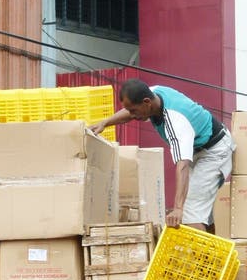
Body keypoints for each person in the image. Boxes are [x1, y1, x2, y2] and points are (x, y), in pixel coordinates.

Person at [90, 79, 235, 232]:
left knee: (190, 211)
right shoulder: (153, 93)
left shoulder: (175, 121)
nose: (131, 115)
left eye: (133, 111)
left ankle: (198, 247)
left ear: (147, 102)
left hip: (215, 151)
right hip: (199, 148)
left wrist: (178, 208)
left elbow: (183, 165)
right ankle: (212, 247)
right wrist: (105, 122)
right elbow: (129, 111)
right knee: (199, 209)